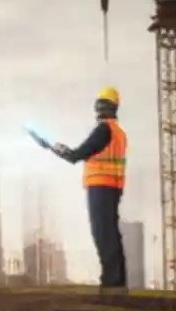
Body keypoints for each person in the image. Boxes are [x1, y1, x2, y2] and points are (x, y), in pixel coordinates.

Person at [46, 86, 127, 289]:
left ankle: (112, 282)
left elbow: (79, 154)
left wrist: (61, 150)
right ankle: (115, 280)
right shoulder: (118, 132)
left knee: (103, 234)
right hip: (112, 187)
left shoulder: (104, 130)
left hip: (101, 187)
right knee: (110, 234)